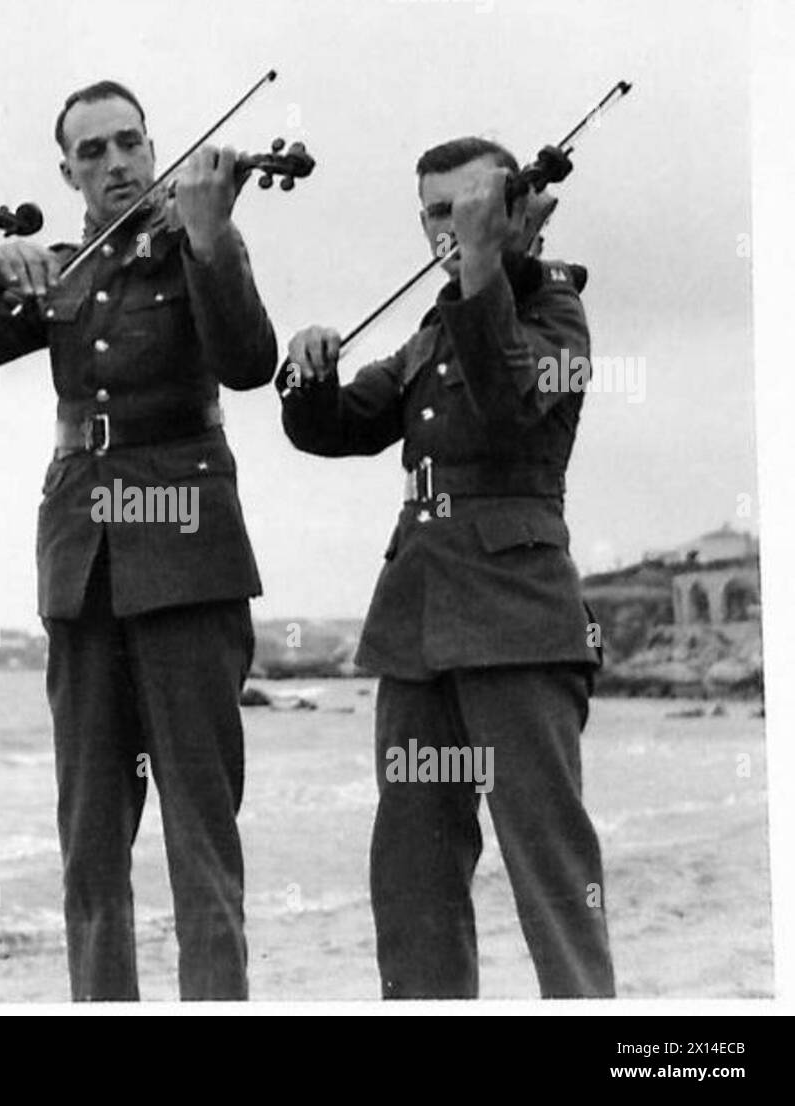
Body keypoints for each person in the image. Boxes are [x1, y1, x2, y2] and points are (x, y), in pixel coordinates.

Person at [0, 80, 277, 1001]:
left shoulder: (198, 243)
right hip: (83, 562)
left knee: (202, 835)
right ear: (68, 171)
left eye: (129, 144)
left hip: (187, 555)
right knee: (89, 838)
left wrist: (211, 232)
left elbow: (247, 360)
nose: (116, 164)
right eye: (93, 152)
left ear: (155, 147)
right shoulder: (65, 270)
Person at [278, 136, 616, 998]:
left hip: (519, 625)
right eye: (437, 213)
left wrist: (481, 268)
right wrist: (306, 375)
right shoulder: (432, 333)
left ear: (513, 210)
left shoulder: (559, 312)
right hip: (420, 631)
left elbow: (508, 403)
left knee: (551, 871)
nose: (451, 228)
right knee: (413, 876)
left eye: (469, 208)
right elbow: (338, 428)